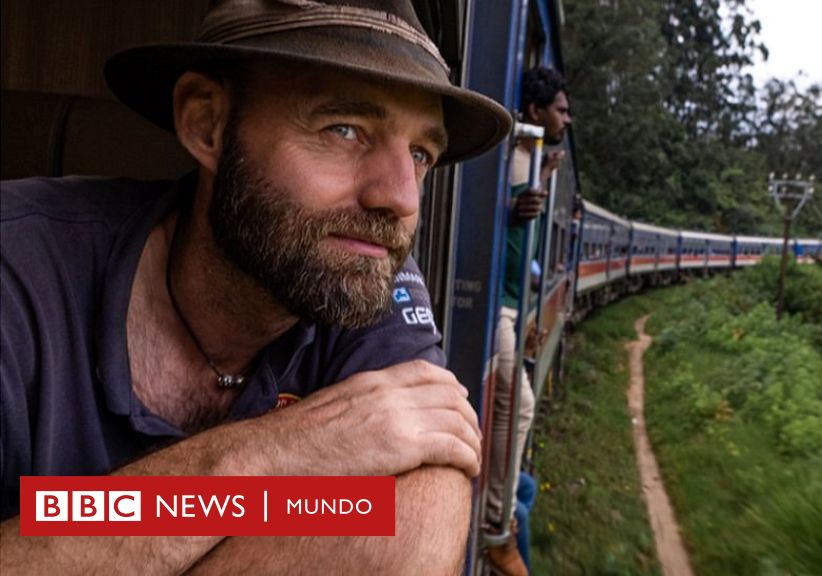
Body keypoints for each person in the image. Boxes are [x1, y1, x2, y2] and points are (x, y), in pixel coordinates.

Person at [0, 1, 512, 573]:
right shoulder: (18, 272)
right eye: (344, 129)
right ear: (206, 125)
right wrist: (280, 452)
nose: (400, 198)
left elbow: (415, 517)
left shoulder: (356, 273)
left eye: (421, 154)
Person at [486, 65, 571, 576]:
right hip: (497, 305)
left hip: (515, 302)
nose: (567, 117)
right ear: (535, 111)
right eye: (560, 108)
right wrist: (536, 184)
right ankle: (499, 527)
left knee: (519, 410)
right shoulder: (515, 156)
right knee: (516, 406)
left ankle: (505, 516)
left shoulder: (532, 158)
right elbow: (496, 212)